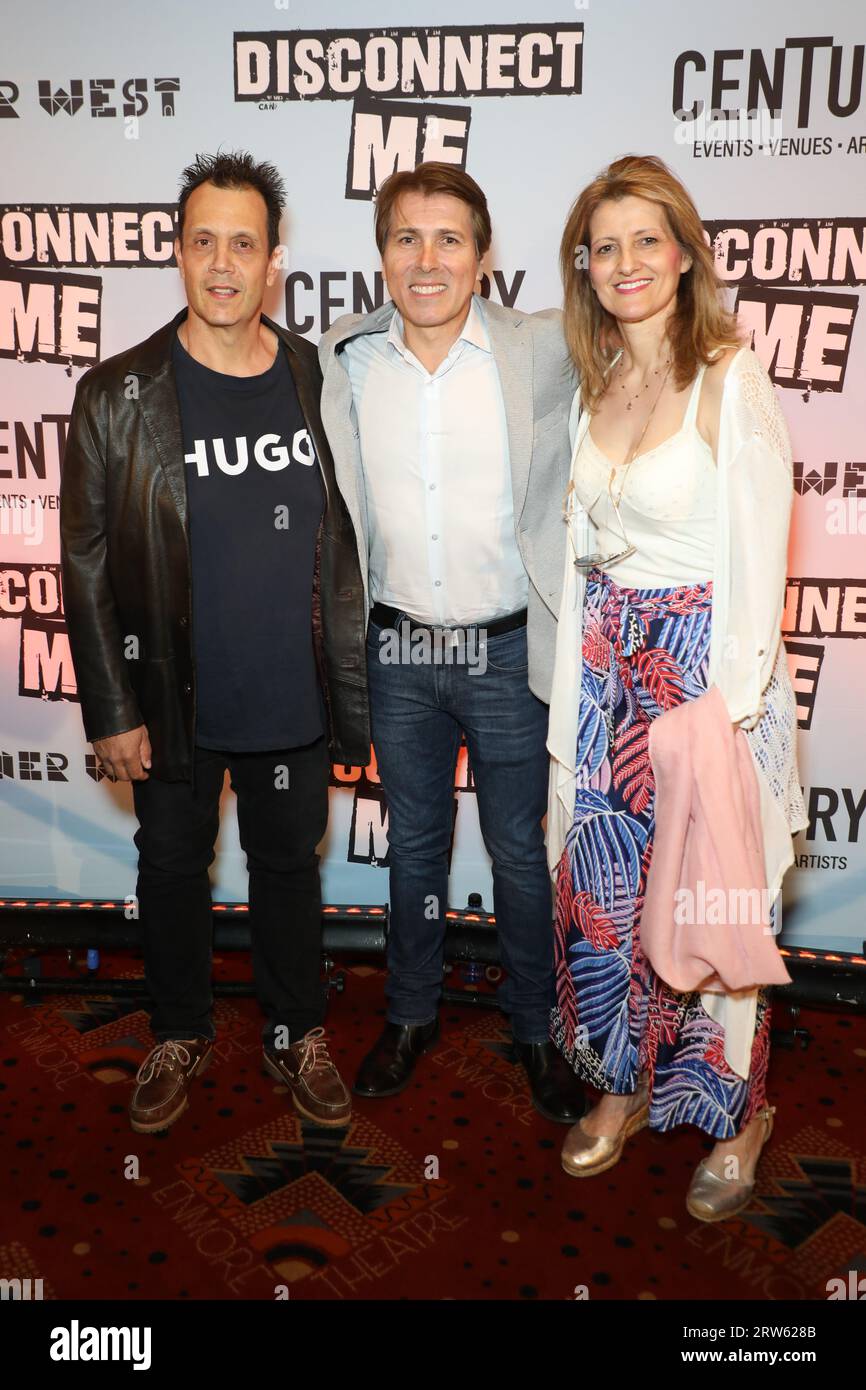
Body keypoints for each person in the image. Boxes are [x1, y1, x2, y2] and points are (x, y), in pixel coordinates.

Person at [60, 151, 370, 1134]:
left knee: (289, 869)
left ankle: (294, 1033)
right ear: (178, 252)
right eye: (204, 242)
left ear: (274, 258)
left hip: (290, 692)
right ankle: (179, 1030)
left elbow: (349, 539)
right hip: (173, 696)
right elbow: (87, 562)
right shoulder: (118, 394)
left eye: (245, 243)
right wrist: (112, 708)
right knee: (171, 864)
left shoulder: (317, 376)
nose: (223, 263)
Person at [546, 155, 807, 1217]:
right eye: (603, 245)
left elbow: (758, 558)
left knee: (713, 906)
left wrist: (727, 720)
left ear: (686, 250)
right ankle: (620, 1088)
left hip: (701, 690)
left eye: (645, 239)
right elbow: (578, 562)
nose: (624, 263)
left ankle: (738, 1112)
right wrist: (573, 714)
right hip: (608, 681)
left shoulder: (728, 377)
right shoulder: (594, 378)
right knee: (605, 908)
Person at [319, 163, 586, 1123]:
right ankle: (409, 1015)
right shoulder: (338, 361)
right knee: (415, 849)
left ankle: (535, 1029)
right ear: (382, 254)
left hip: (511, 652)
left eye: (450, 241)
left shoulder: (544, 349)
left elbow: (654, 356)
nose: (426, 260)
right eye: (406, 239)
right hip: (400, 655)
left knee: (520, 851)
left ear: (481, 258)